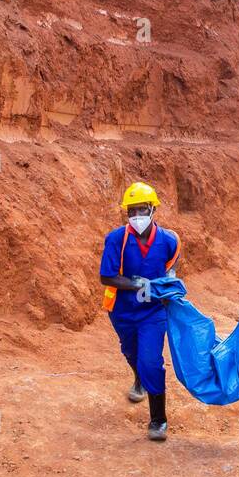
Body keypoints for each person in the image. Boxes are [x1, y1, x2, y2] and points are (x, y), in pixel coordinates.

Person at [99, 182, 181, 441]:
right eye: (131, 211)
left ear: (153, 209)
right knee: (131, 352)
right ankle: (139, 379)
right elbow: (107, 276)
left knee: (152, 361)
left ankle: (158, 420)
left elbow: (170, 266)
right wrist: (136, 283)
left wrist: (169, 283)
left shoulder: (169, 240)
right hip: (123, 310)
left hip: (153, 313)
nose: (137, 217)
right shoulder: (116, 239)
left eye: (142, 210)